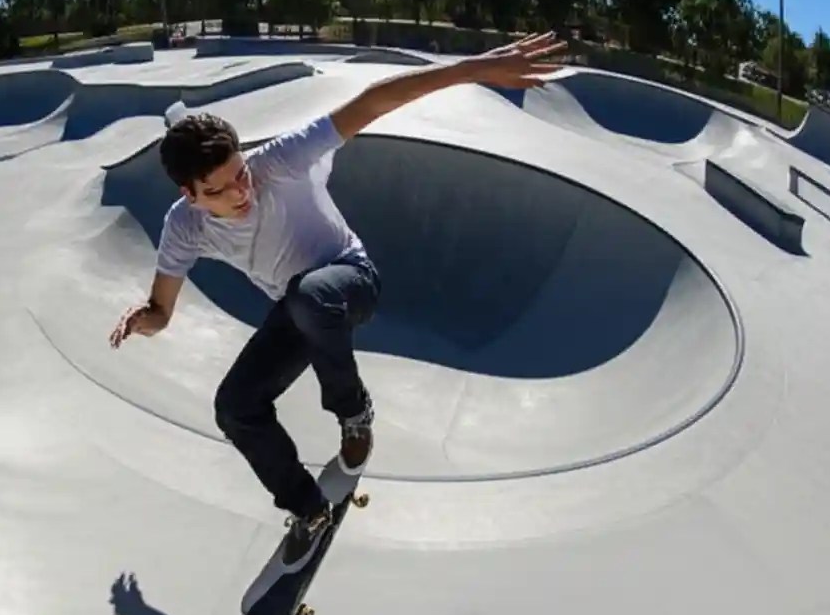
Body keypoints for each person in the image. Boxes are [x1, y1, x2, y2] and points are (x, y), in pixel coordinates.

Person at [110, 32, 568, 568]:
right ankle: (307, 508)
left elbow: (372, 101)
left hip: (351, 280)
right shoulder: (183, 227)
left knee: (308, 297)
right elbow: (163, 310)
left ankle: (354, 413)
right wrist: (146, 319)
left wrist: (471, 69)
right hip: (300, 311)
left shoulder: (280, 161)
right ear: (189, 195)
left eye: (240, 173)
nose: (242, 191)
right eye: (221, 190)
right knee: (235, 407)